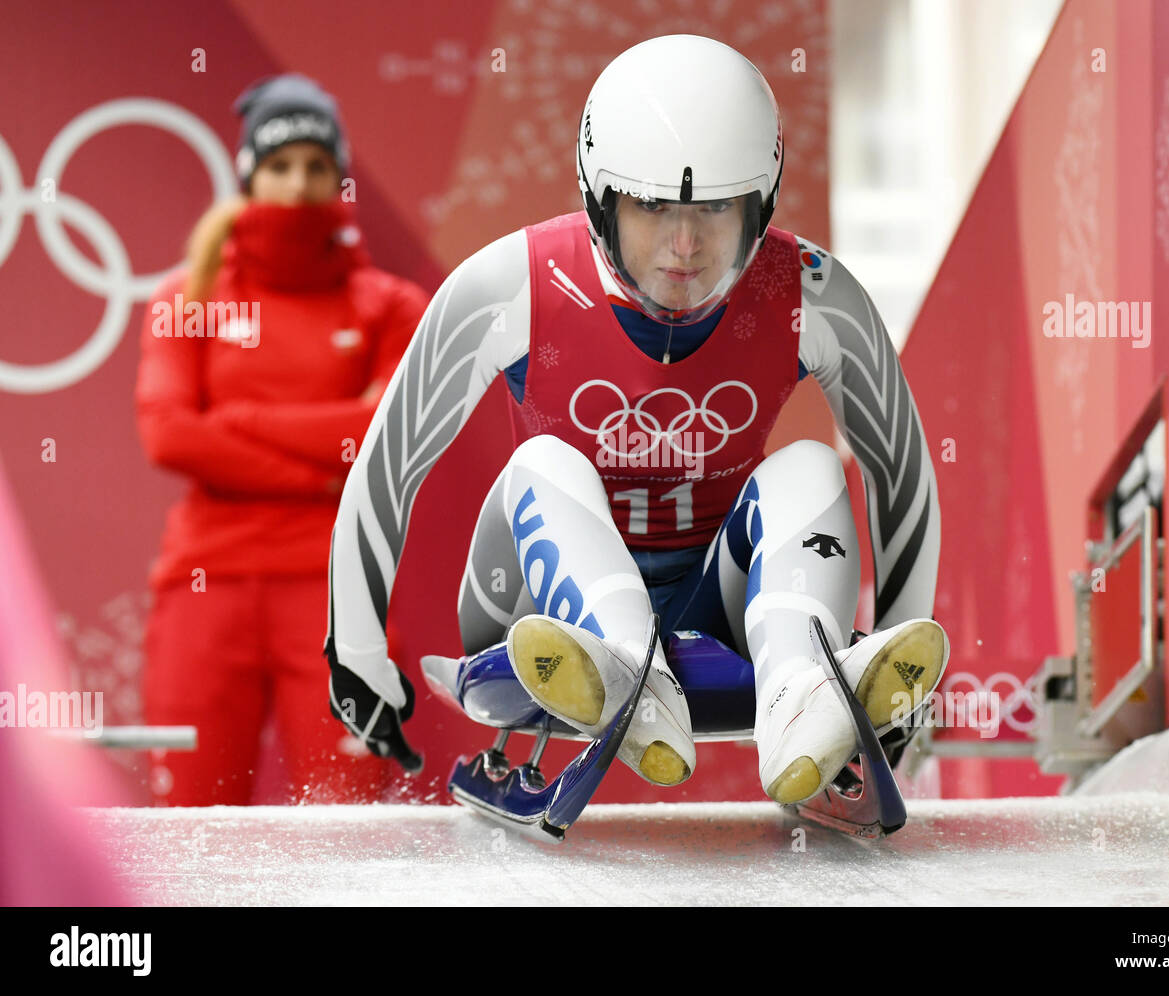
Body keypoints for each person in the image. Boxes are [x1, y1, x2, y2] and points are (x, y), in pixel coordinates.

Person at [326, 35, 949, 805]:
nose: (684, 248)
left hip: (713, 599)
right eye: (652, 206)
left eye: (716, 209)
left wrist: (897, 663)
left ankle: (800, 688)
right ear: (599, 197)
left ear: (763, 202)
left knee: (812, 465)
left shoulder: (811, 290)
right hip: (534, 606)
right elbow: (390, 465)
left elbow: (902, 472)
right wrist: (355, 651)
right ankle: (625, 665)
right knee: (543, 462)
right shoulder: (509, 282)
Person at [136, 74, 429, 805]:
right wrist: (327, 467)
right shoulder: (186, 296)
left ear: (338, 177)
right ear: (248, 174)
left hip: (338, 592)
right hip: (206, 583)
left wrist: (238, 424)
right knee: (189, 830)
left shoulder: (391, 305)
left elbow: (386, 435)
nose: (298, 185)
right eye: (279, 165)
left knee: (347, 831)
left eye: (316, 166)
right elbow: (169, 436)